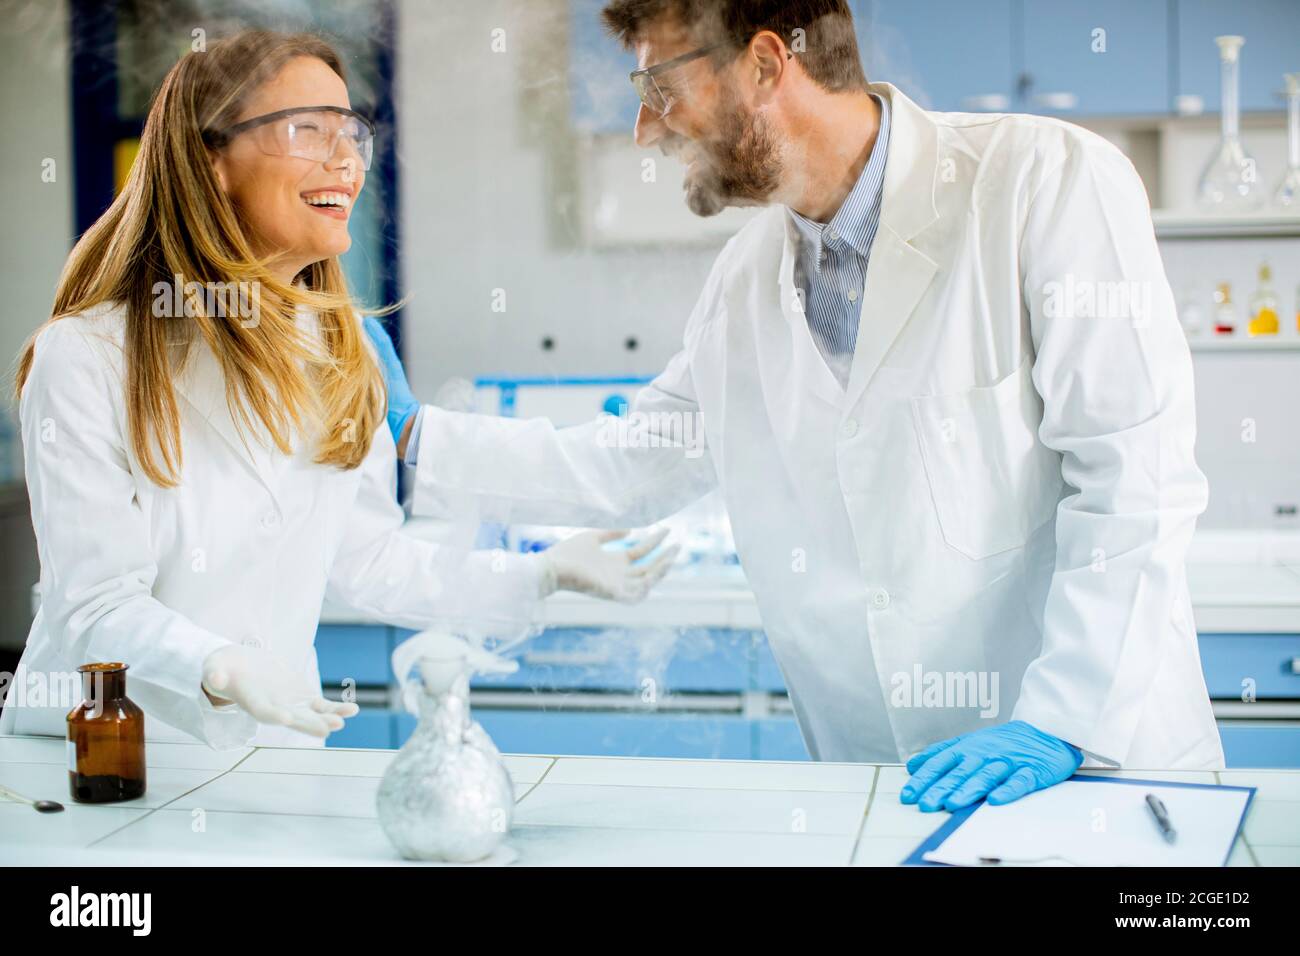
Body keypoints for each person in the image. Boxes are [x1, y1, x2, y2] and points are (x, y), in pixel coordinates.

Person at [367, 0, 1223, 809]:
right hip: (886, 790)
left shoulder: (1044, 180)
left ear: (768, 62)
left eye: (659, 88)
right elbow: (633, 461)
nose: (643, 129)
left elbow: (1134, 475)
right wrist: (415, 438)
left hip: (1096, 780)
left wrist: (1061, 721)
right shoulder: (747, 279)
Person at [2, 30, 673, 750]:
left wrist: (540, 576)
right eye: (309, 131)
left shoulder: (338, 352)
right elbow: (94, 603)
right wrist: (218, 665)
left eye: (352, 134)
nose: (346, 160)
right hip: (102, 761)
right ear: (211, 160)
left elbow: (370, 561)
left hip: (273, 760)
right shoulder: (87, 358)